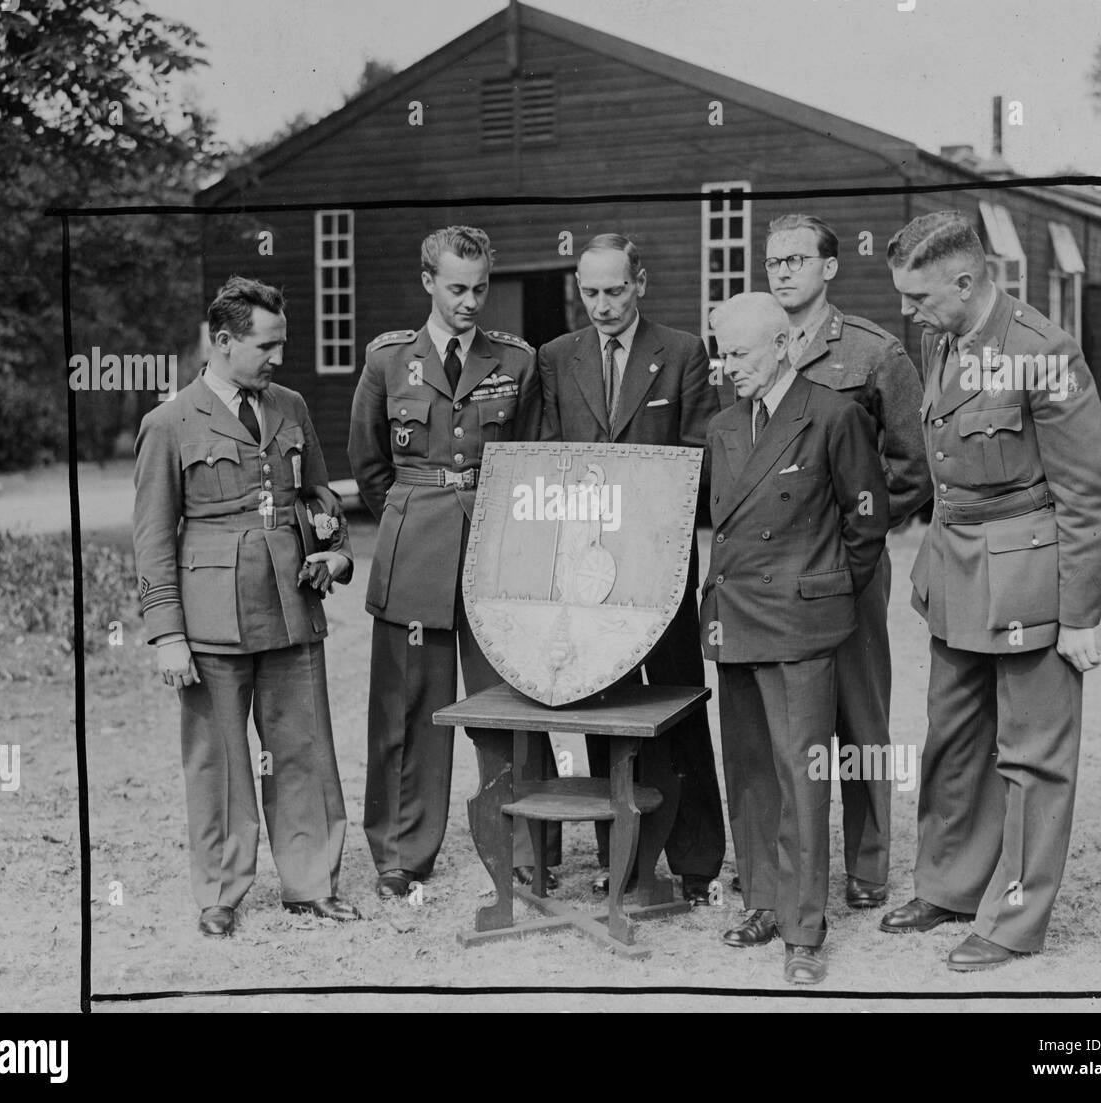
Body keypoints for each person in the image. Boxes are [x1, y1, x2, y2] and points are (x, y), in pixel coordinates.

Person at [880, 210, 1101, 970]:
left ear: (966, 280)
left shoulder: (1041, 350)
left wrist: (1079, 616)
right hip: (955, 569)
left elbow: (1091, 493)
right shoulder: (940, 336)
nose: (908, 312)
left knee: (1032, 754)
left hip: (1030, 580)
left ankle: (1014, 920)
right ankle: (952, 884)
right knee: (953, 737)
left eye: (920, 296)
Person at [133, 275, 357, 938]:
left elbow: (319, 497)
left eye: (281, 344)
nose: (277, 357)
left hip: (292, 605)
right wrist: (167, 633)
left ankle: (311, 881)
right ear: (224, 341)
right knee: (220, 760)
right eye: (266, 345)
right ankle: (221, 892)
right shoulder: (169, 422)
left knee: (304, 749)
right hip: (210, 620)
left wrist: (337, 552)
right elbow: (152, 539)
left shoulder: (289, 404)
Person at [348, 225, 559, 901]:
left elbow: (532, 458)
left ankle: (526, 849)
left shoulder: (517, 361)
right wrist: (415, 515)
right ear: (427, 282)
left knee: (509, 703)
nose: (470, 302)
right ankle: (401, 853)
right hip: (417, 549)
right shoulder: (388, 362)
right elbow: (371, 467)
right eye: (456, 288)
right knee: (409, 707)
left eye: (480, 288)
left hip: (497, 547)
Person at [702, 292, 887, 982]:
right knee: (750, 773)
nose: (728, 366)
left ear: (782, 345)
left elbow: (866, 520)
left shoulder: (834, 415)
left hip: (800, 624)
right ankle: (763, 900)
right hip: (735, 614)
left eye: (741, 353)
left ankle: (804, 928)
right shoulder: (723, 426)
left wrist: (822, 587)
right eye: (723, 352)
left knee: (803, 777)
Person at [538, 233, 725, 905]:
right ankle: (620, 857)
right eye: (590, 292)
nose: (603, 304)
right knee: (603, 705)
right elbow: (550, 456)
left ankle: (699, 860)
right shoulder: (557, 358)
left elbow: (701, 456)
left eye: (616, 289)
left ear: (639, 282)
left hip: (661, 560)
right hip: (587, 567)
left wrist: (634, 490)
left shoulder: (680, 352)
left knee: (676, 700)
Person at [757, 213, 931, 909]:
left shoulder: (872, 352)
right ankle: (783, 863)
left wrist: (856, 531)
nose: (783, 272)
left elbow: (913, 464)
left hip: (847, 559)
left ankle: (866, 866)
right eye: (773, 262)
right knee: (783, 716)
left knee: (860, 713)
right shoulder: (757, 345)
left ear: (830, 268)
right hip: (773, 565)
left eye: (797, 260)